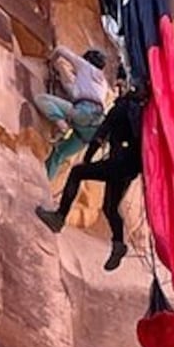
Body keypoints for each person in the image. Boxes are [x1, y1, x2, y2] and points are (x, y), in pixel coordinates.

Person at [35, 89, 145, 271]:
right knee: (110, 206)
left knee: (77, 172)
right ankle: (119, 243)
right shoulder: (141, 114)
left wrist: (88, 157)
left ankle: (59, 217)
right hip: (131, 168)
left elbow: (102, 133)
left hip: (117, 162)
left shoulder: (121, 107)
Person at [33, 47, 112, 180]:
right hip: (93, 129)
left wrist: (51, 60)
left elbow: (61, 50)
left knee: (41, 99)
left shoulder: (85, 66)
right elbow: (74, 91)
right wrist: (61, 72)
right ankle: (45, 183)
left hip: (83, 113)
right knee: (59, 154)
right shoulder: (102, 82)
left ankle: (61, 124)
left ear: (87, 58)